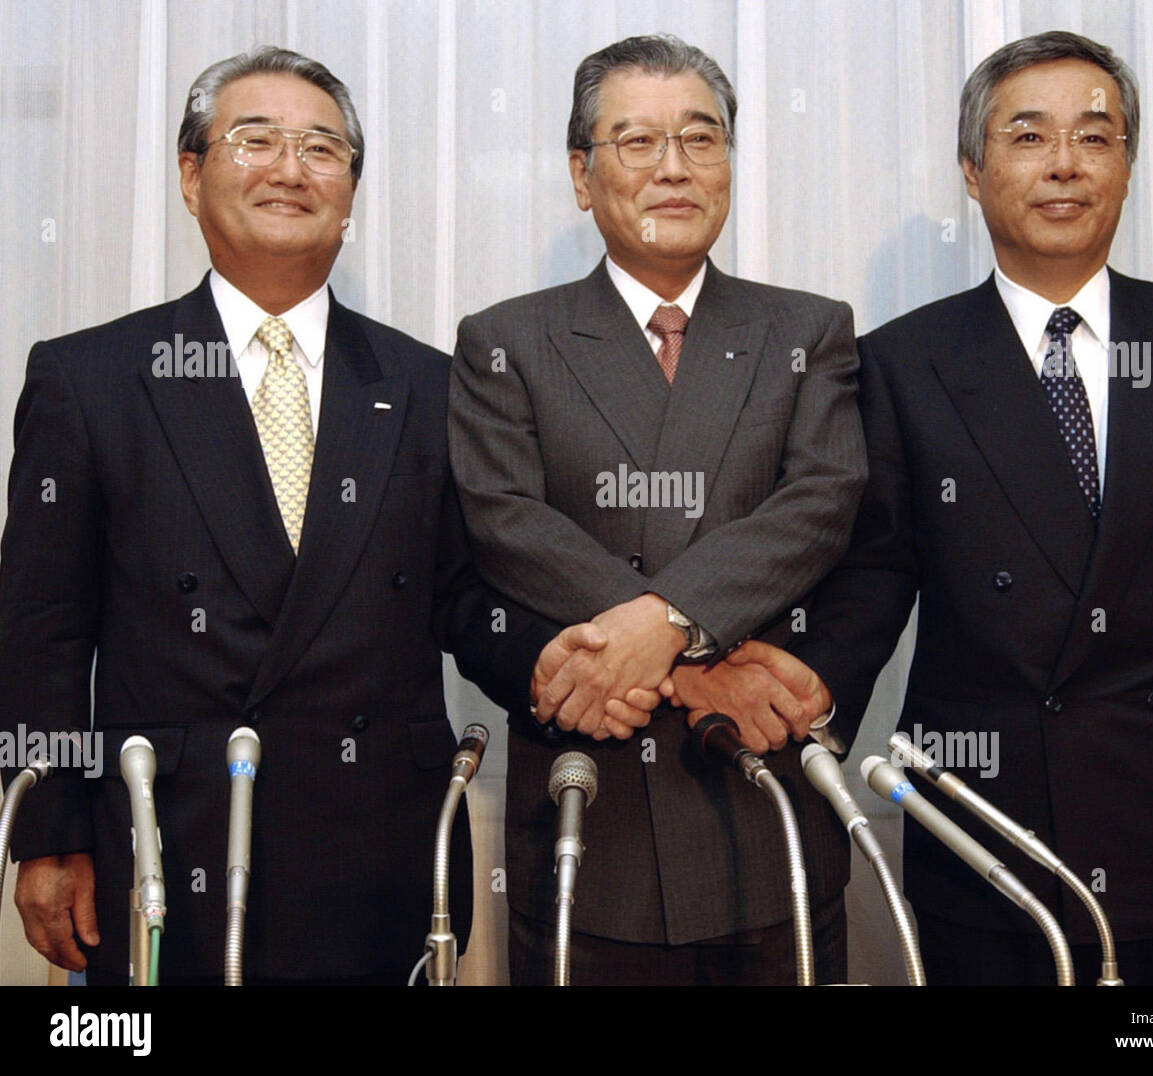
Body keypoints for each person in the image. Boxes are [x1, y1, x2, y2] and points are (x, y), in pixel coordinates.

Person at [0, 45, 589, 985]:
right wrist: (46, 831)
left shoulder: (427, 382)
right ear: (191, 177)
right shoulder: (91, 378)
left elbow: (460, 597)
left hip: (380, 852)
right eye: (255, 139)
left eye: (322, 148)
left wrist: (551, 661)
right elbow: (41, 629)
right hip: (164, 848)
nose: (289, 167)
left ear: (351, 193)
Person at [773, 30, 1153, 985]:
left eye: (1095, 137)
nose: (1065, 163)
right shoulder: (903, 362)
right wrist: (803, 693)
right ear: (973, 171)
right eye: (1028, 136)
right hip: (989, 818)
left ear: (1128, 167)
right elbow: (877, 574)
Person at [448, 34, 867, 985]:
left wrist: (665, 623)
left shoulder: (809, 329)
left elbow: (820, 503)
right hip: (590, 820)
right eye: (637, 142)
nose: (673, 167)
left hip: (767, 822)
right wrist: (696, 666)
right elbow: (506, 521)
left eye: (701, 138)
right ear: (581, 173)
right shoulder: (506, 340)